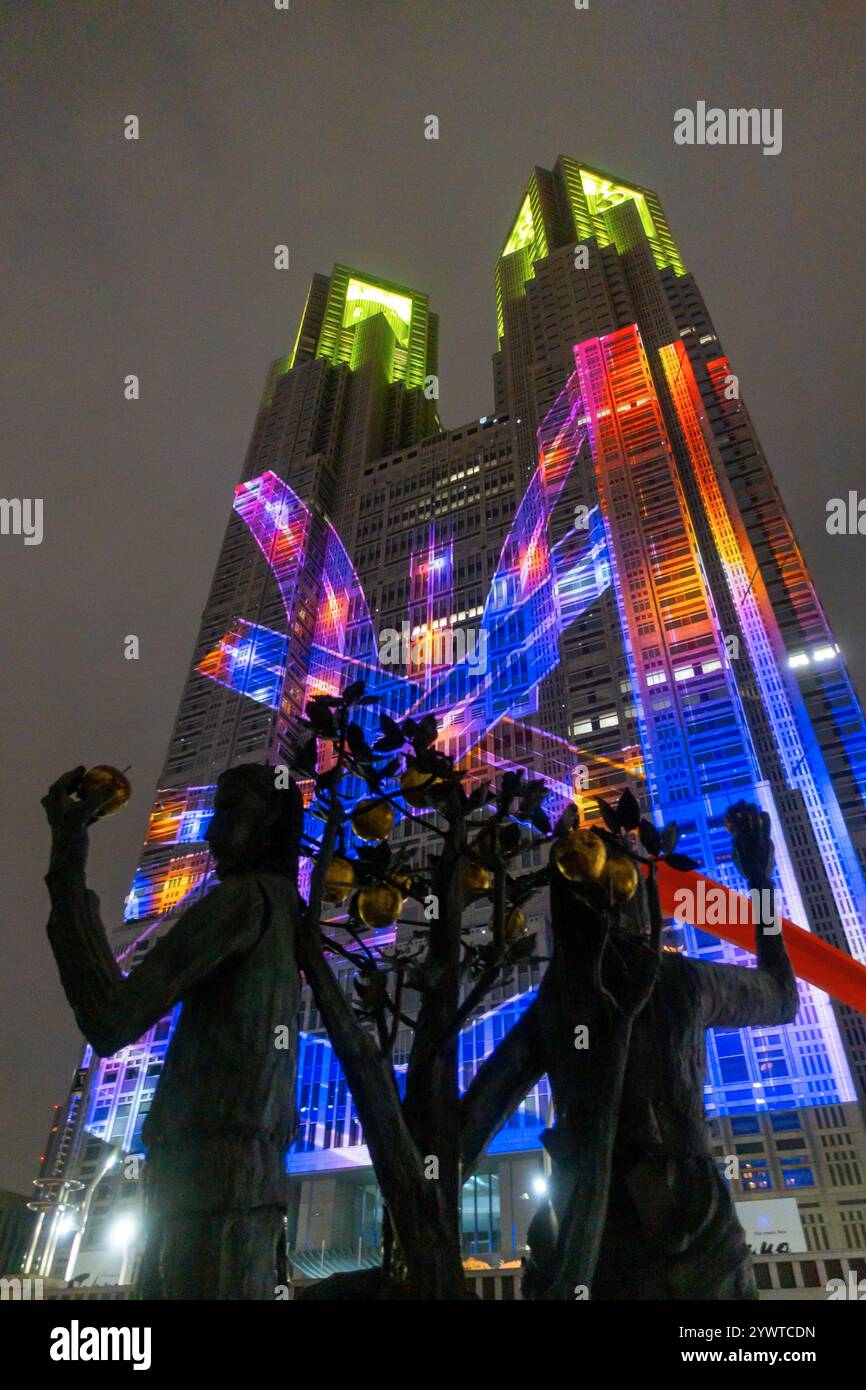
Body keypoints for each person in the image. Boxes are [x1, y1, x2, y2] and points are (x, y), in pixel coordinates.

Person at [460, 802, 799, 1300]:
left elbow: (471, 1125)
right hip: (672, 1223)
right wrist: (760, 883)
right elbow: (781, 995)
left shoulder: (565, 1000)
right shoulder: (679, 982)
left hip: (597, 1229)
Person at [42, 763, 303, 1299]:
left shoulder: (243, 900)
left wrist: (68, 862)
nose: (211, 833)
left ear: (272, 820)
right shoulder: (285, 912)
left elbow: (111, 1019)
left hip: (203, 1185)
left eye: (229, 811)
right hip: (240, 1181)